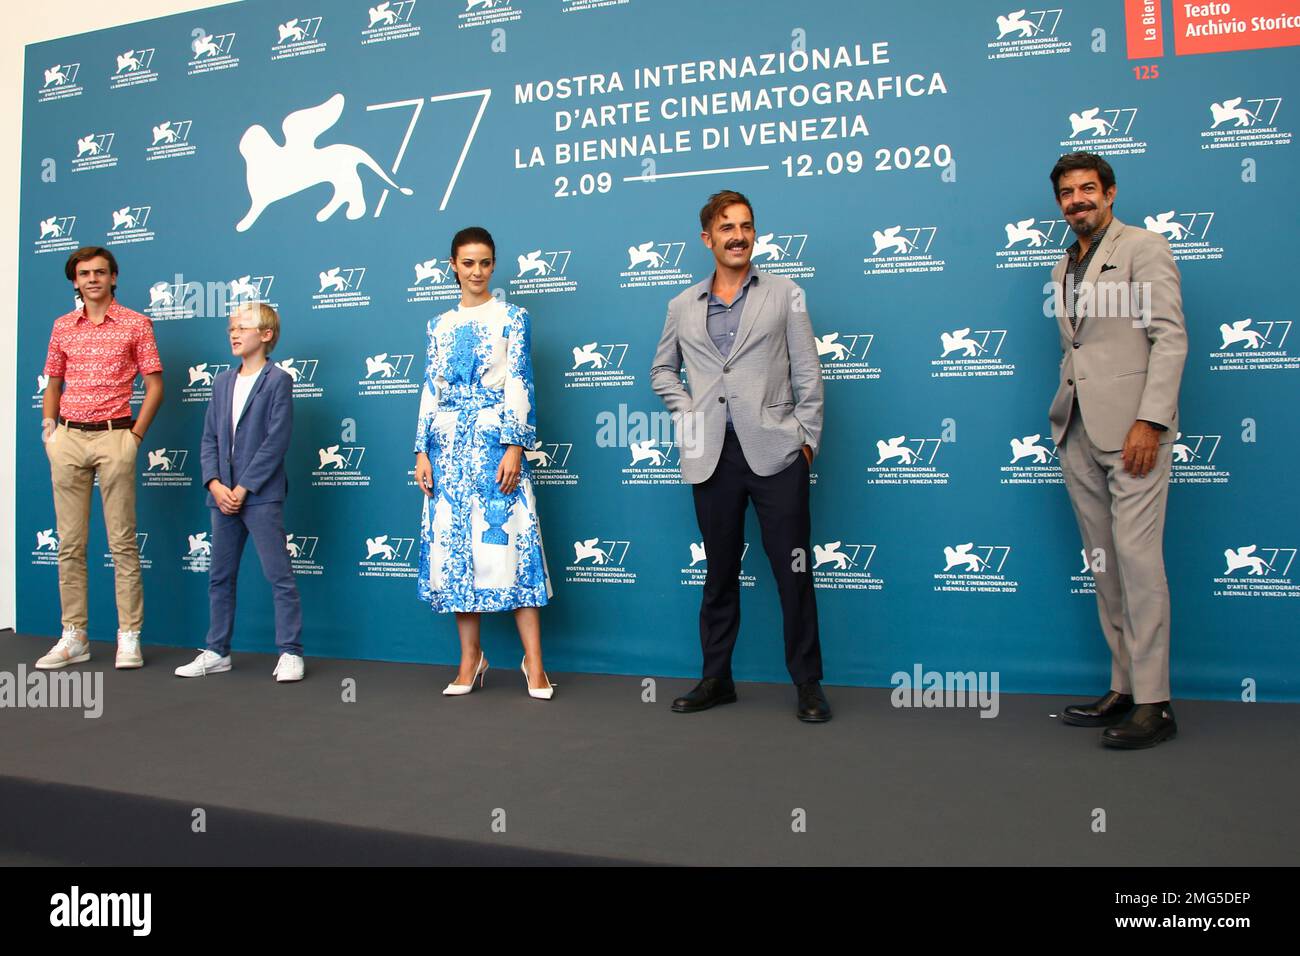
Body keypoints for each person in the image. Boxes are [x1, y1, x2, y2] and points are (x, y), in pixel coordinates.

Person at [650, 190, 829, 722]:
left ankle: (808, 684)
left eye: (746, 226)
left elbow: (808, 372)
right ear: (707, 238)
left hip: (776, 452)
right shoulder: (681, 305)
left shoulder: (785, 294)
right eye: (726, 227)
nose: (738, 235)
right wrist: (689, 412)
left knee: (792, 572)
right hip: (712, 456)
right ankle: (717, 678)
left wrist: (806, 440)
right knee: (719, 572)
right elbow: (662, 370)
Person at [1046, 152, 1187, 749]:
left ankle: (1156, 703)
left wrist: (1150, 421)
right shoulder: (1062, 264)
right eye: (1067, 193)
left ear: (1110, 192)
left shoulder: (1144, 247)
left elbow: (1169, 337)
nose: (1078, 200)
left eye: (1088, 189)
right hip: (1077, 428)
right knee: (1104, 565)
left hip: (1134, 434)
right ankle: (1124, 686)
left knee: (1138, 563)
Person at [413, 226, 554, 699]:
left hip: (495, 442)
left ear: (494, 265)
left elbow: (519, 380)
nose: (477, 271)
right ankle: (470, 659)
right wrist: (421, 451)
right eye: (468, 262)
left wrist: (515, 445)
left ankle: (533, 661)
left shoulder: (514, 316)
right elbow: (430, 388)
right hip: (447, 447)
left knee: (512, 543)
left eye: (485, 262)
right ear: (452, 265)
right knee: (455, 548)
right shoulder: (437, 325)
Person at [36, 247, 163, 671]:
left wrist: (135, 436)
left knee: (122, 543)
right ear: (75, 280)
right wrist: (49, 428)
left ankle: (129, 637)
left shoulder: (136, 323)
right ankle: (74, 636)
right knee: (69, 544)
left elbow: (155, 383)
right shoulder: (61, 327)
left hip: (115, 436)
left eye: (100, 272)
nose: (92, 279)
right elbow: (53, 382)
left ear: (113, 277)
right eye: (84, 273)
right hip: (68, 438)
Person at [179, 302, 304, 681]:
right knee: (220, 575)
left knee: (278, 574)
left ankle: (291, 652)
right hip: (222, 497)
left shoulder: (278, 380)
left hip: (260, 496)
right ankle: (217, 650)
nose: (234, 333)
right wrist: (215, 484)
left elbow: (275, 441)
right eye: (231, 327)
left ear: (266, 335)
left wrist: (244, 487)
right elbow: (209, 439)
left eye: (243, 327)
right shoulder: (221, 382)